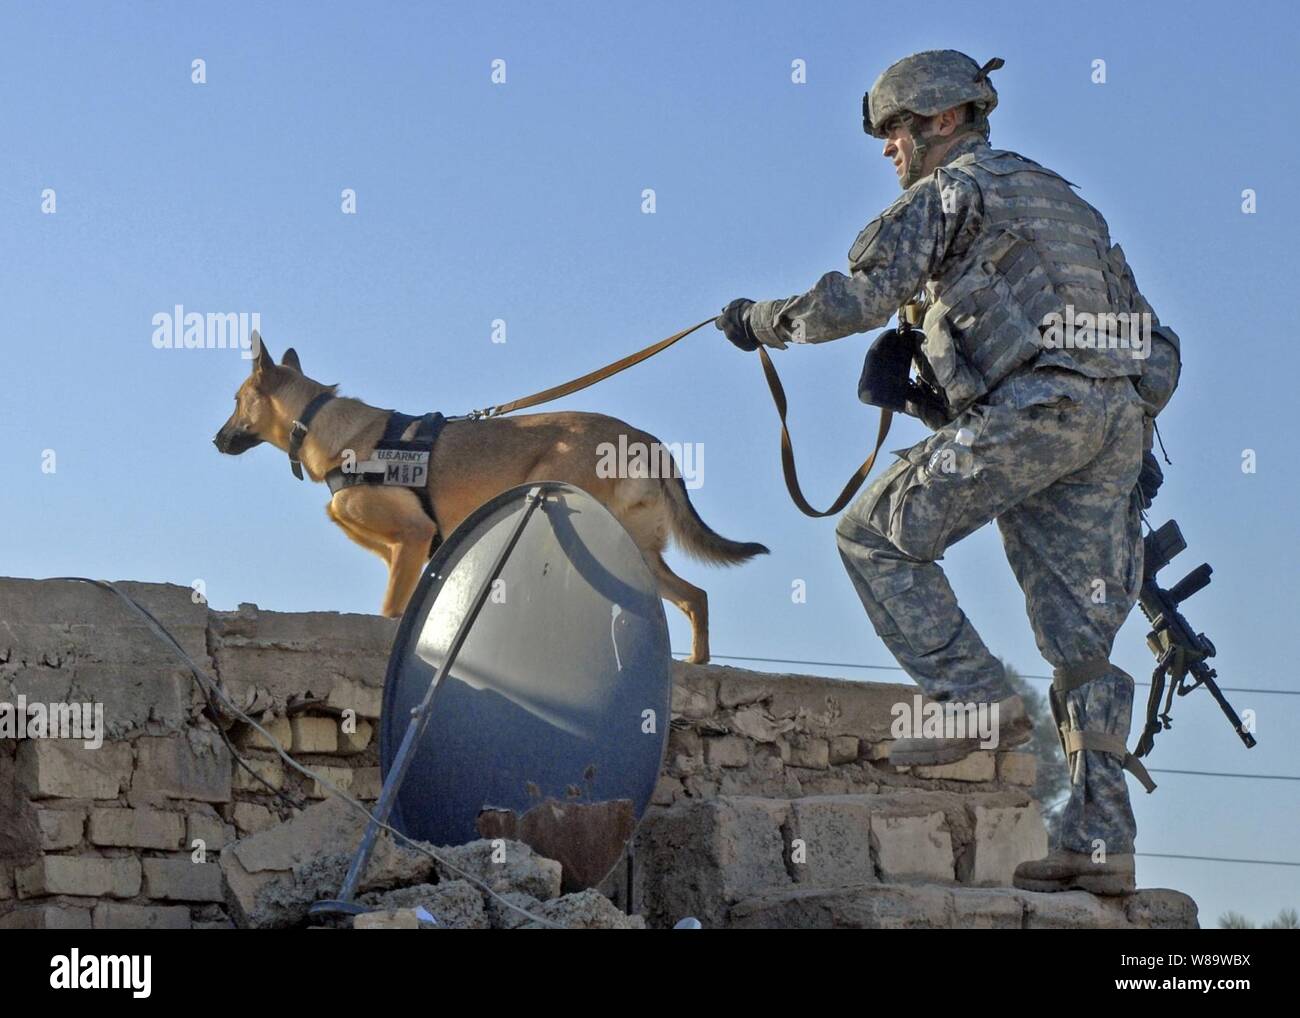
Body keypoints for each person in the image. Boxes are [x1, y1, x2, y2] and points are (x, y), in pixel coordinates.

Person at [717, 50, 1180, 895]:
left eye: (896, 129)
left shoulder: (949, 193)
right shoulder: (1064, 201)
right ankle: (1100, 846)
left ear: (941, 121)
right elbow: (1156, 350)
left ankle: (974, 700)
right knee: (1083, 651)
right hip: (1111, 422)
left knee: (872, 537)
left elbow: (856, 296)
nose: (889, 150)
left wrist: (761, 321)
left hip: (1041, 409)